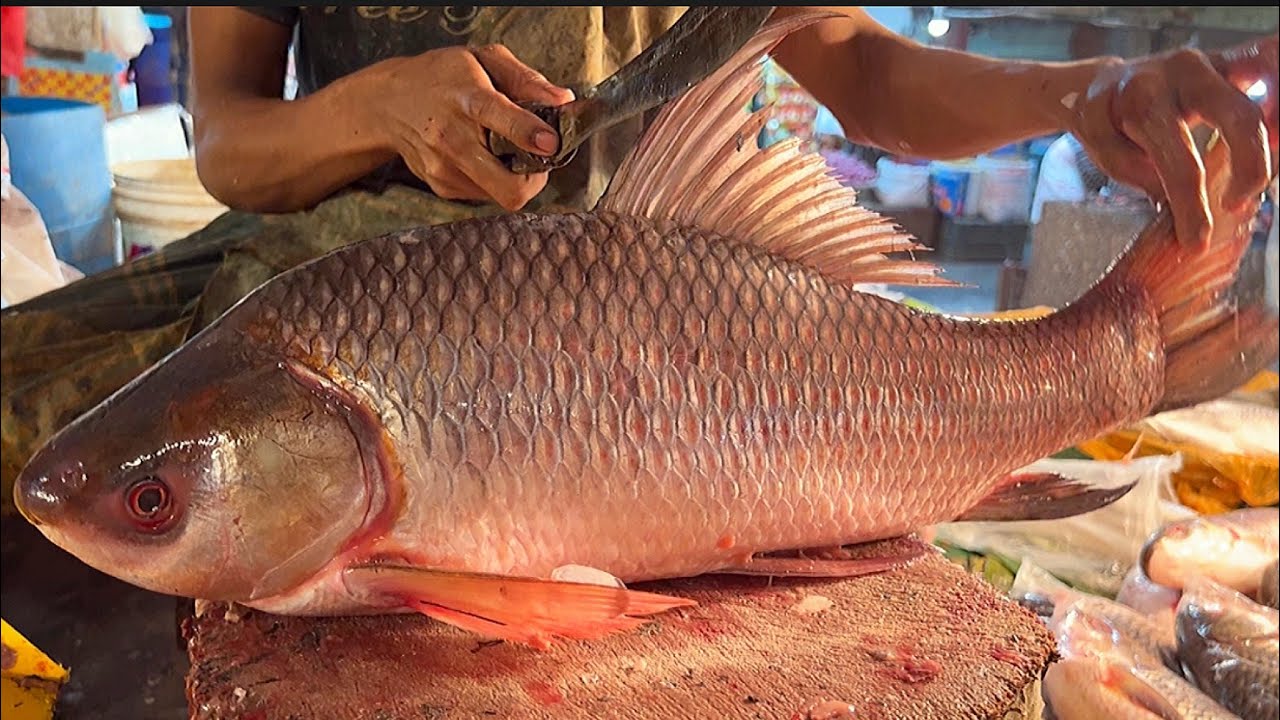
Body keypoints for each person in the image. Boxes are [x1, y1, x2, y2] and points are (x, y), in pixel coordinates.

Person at [1, 7, 1276, 496]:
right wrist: (372, 107)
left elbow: (862, 67)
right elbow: (226, 138)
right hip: (337, 307)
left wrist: (1083, 91)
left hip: (684, 311)